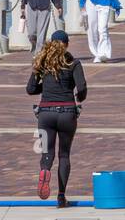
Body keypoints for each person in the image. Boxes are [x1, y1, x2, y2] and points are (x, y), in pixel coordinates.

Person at [26, 31, 88, 207]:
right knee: (64, 154)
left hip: (45, 114)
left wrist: (45, 88)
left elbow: (30, 89)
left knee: (47, 152)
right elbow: (82, 88)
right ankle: (61, 196)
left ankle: (45, 170)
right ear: (67, 45)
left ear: (51, 43)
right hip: (68, 113)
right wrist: (78, 97)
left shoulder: (42, 62)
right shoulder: (74, 63)